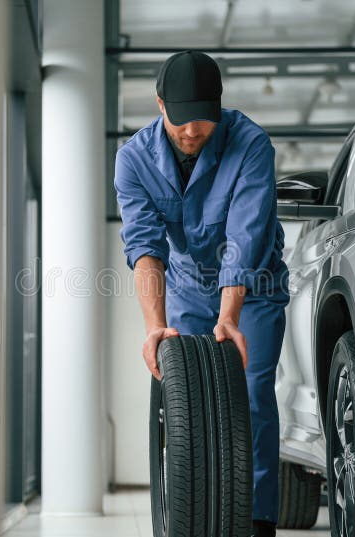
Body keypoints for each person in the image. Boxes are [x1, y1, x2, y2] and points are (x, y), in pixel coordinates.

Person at [113, 50, 289, 537]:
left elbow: (245, 233)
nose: (192, 131)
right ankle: (191, 511)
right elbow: (144, 247)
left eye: (203, 120)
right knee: (186, 400)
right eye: (181, 119)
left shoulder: (251, 143)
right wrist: (154, 327)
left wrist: (229, 314)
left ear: (220, 106)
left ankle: (255, 520)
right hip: (189, 288)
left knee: (250, 393)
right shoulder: (132, 159)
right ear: (159, 104)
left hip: (254, 284)